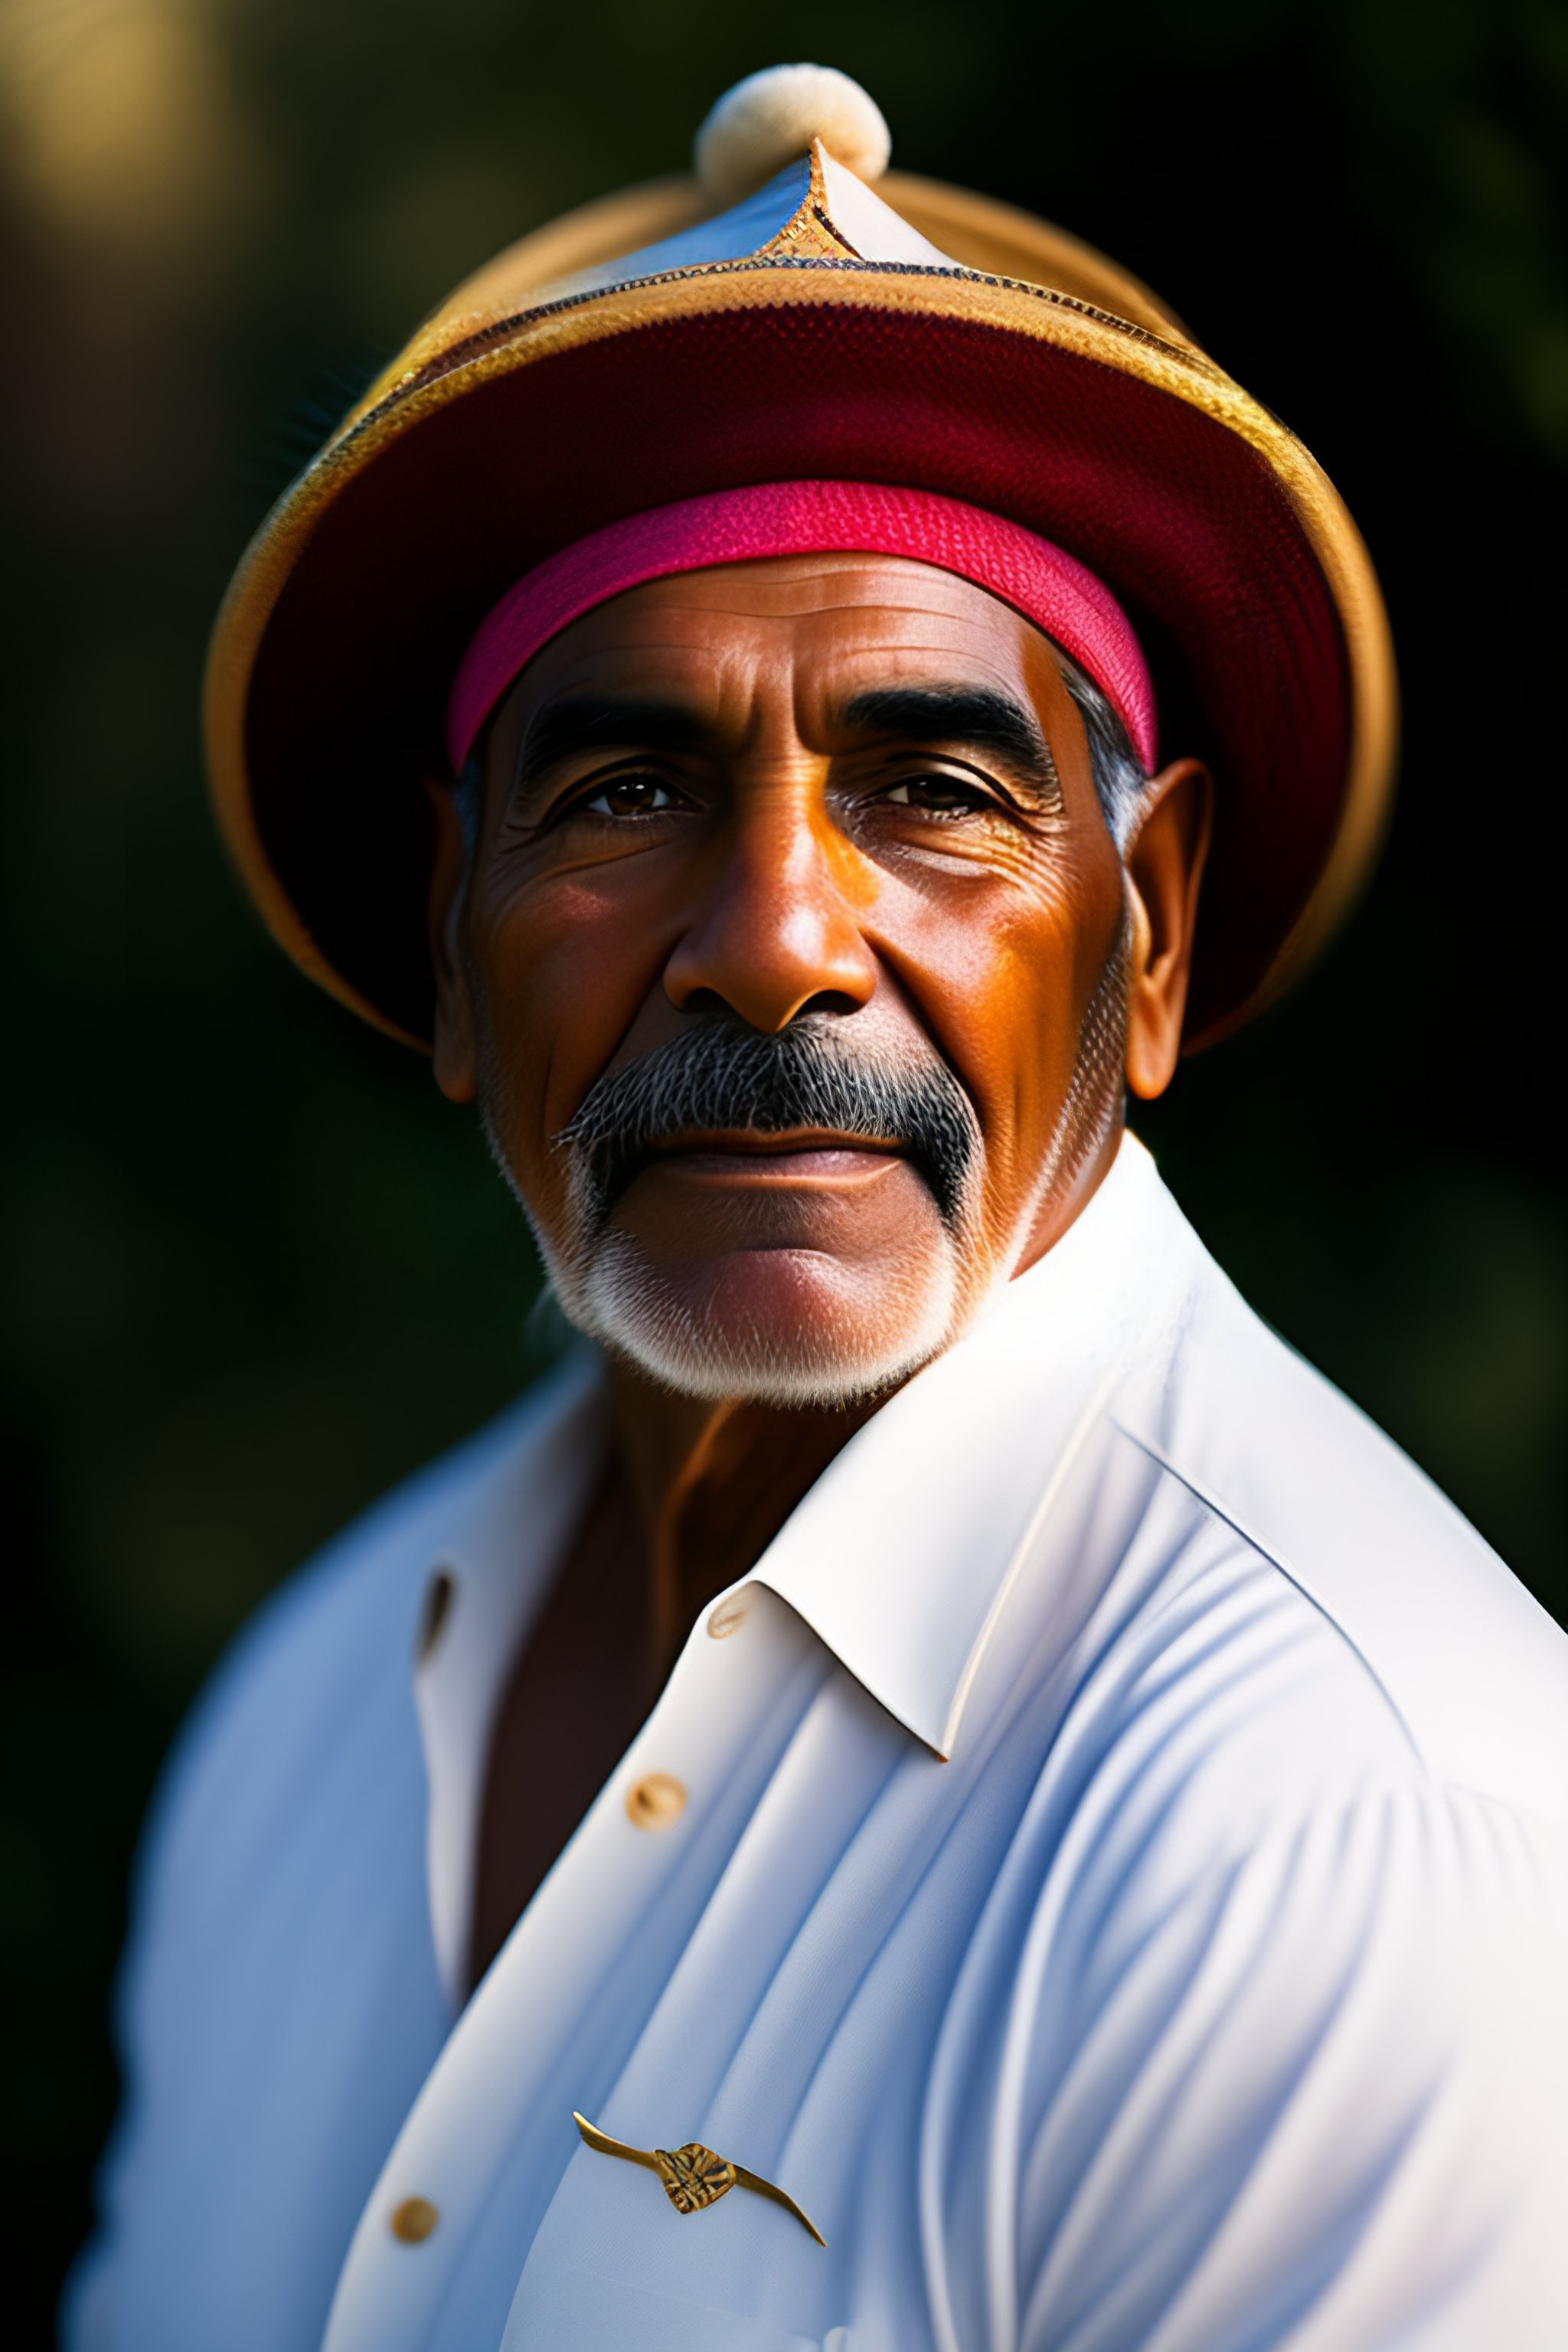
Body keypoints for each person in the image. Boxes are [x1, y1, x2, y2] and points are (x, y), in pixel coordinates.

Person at [67, 63, 1568, 2352]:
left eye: (935, 787)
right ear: (450, 942)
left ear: (1148, 933)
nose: (775, 935)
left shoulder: (1340, 1821)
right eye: (628, 787)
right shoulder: (315, 1709)